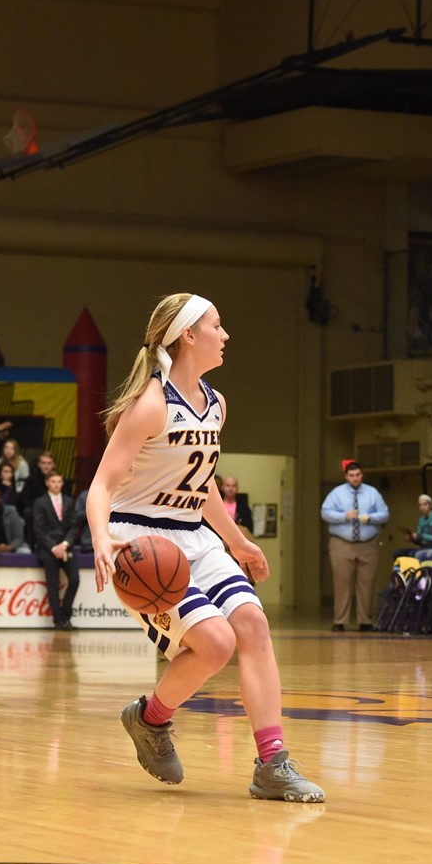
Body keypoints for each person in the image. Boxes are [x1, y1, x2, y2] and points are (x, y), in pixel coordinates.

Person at [88, 291, 324, 802]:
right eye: (218, 325)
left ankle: (273, 763)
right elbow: (102, 484)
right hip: (144, 539)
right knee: (215, 644)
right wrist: (101, 537)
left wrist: (237, 540)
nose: (226, 335)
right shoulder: (150, 405)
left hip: (196, 534)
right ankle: (150, 721)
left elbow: (204, 481)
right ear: (188, 336)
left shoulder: (215, 403)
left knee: (254, 626)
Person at [320, 460, 388, 633]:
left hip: (368, 543)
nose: (355, 478)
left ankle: (365, 621)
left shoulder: (372, 493)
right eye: (351, 475)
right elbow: (325, 512)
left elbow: (385, 513)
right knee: (342, 583)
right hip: (342, 543)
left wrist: (371, 518)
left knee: (367, 583)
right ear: (346, 476)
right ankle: (340, 621)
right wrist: (344, 516)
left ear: (362, 475)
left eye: (358, 475)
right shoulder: (337, 493)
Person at [30, 469, 82, 629]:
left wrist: (65, 544)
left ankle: (65, 615)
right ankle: (58, 620)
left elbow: (74, 526)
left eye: (59, 481)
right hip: (48, 549)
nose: (56, 485)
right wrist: (53, 547)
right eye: (53, 481)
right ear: (47, 483)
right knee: (53, 584)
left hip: (66, 547)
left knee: (74, 579)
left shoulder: (68, 501)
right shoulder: (40, 502)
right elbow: (38, 529)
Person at [405, 493, 432, 560]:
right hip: (423, 547)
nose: (422, 507)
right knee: (398, 552)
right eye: (420, 505)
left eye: (425, 504)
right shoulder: (421, 520)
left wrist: (421, 536)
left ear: (431, 505)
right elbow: (419, 539)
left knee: (413, 554)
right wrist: (412, 538)